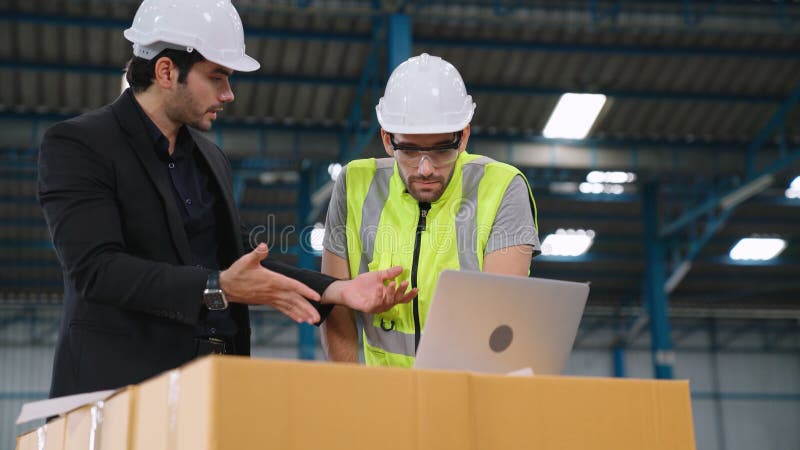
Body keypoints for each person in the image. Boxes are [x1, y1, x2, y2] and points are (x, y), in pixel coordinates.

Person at [37, 0, 414, 398]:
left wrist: (337, 290)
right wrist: (216, 286)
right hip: (117, 395)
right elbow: (96, 270)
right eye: (216, 77)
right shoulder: (81, 144)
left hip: (210, 391)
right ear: (167, 71)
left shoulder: (209, 158)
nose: (229, 94)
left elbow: (241, 260)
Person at [320, 53, 541, 368]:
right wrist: (353, 391)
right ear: (387, 139)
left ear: (463, 136)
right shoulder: (355, 185)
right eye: (409, 149)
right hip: (385, 398)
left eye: (440, 149)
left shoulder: (503, 187)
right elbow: (335, 303)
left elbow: (498, 317)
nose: (425, 168)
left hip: (469, 393)